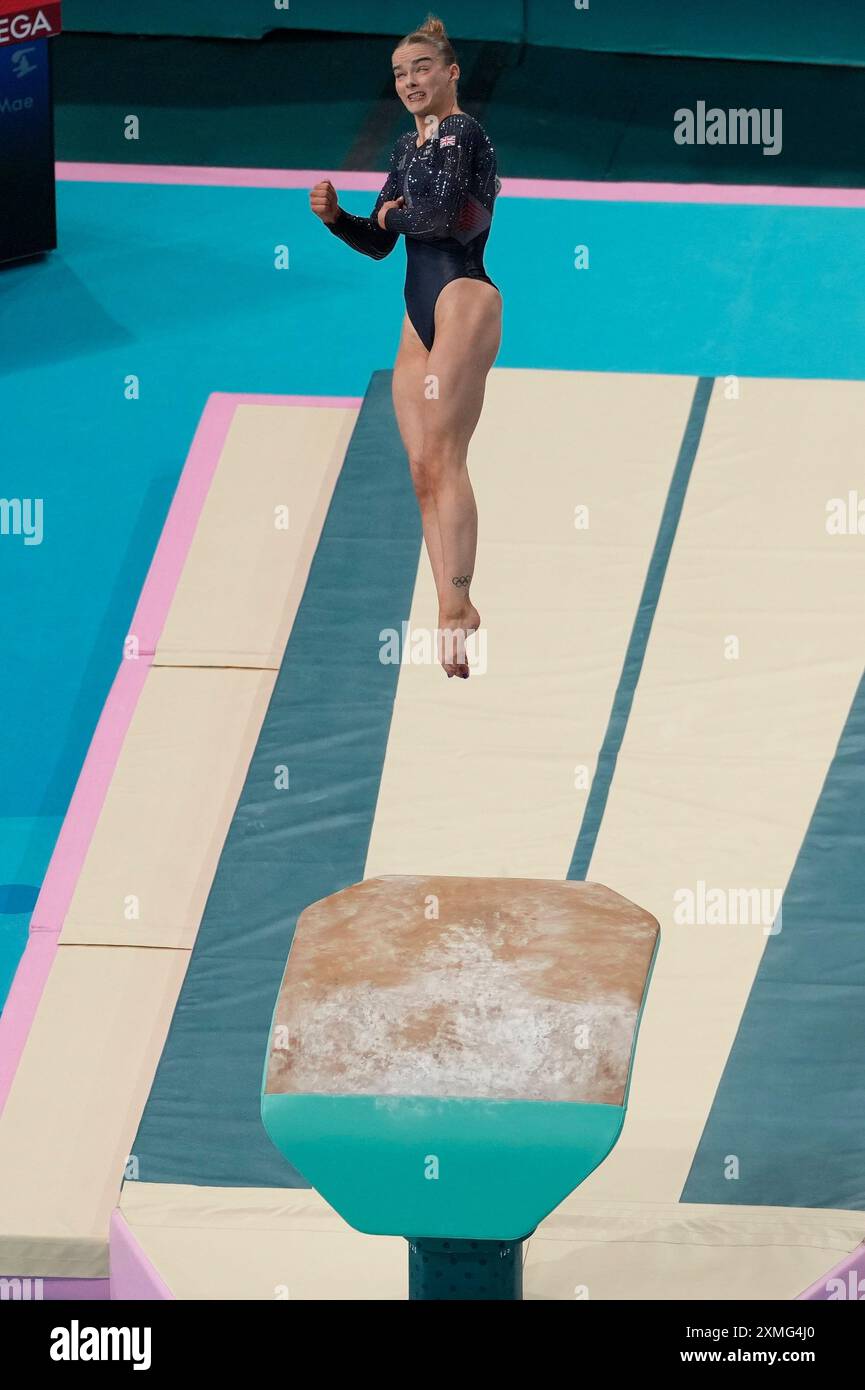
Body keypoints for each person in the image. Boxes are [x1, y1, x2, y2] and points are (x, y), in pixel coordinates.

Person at [310, 14, 502, 679]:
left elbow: (443, 220)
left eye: (421, 67)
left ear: (450, 73)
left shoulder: (461, 133)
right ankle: (446, 607)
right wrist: (340, 220)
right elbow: (381, 241)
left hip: (462, 298)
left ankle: (459, 605)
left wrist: (389, 213)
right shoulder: (406, 146)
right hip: (415, 311)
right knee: (422, 468)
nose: (409, 80)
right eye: (398, 73)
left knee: (446, 455)